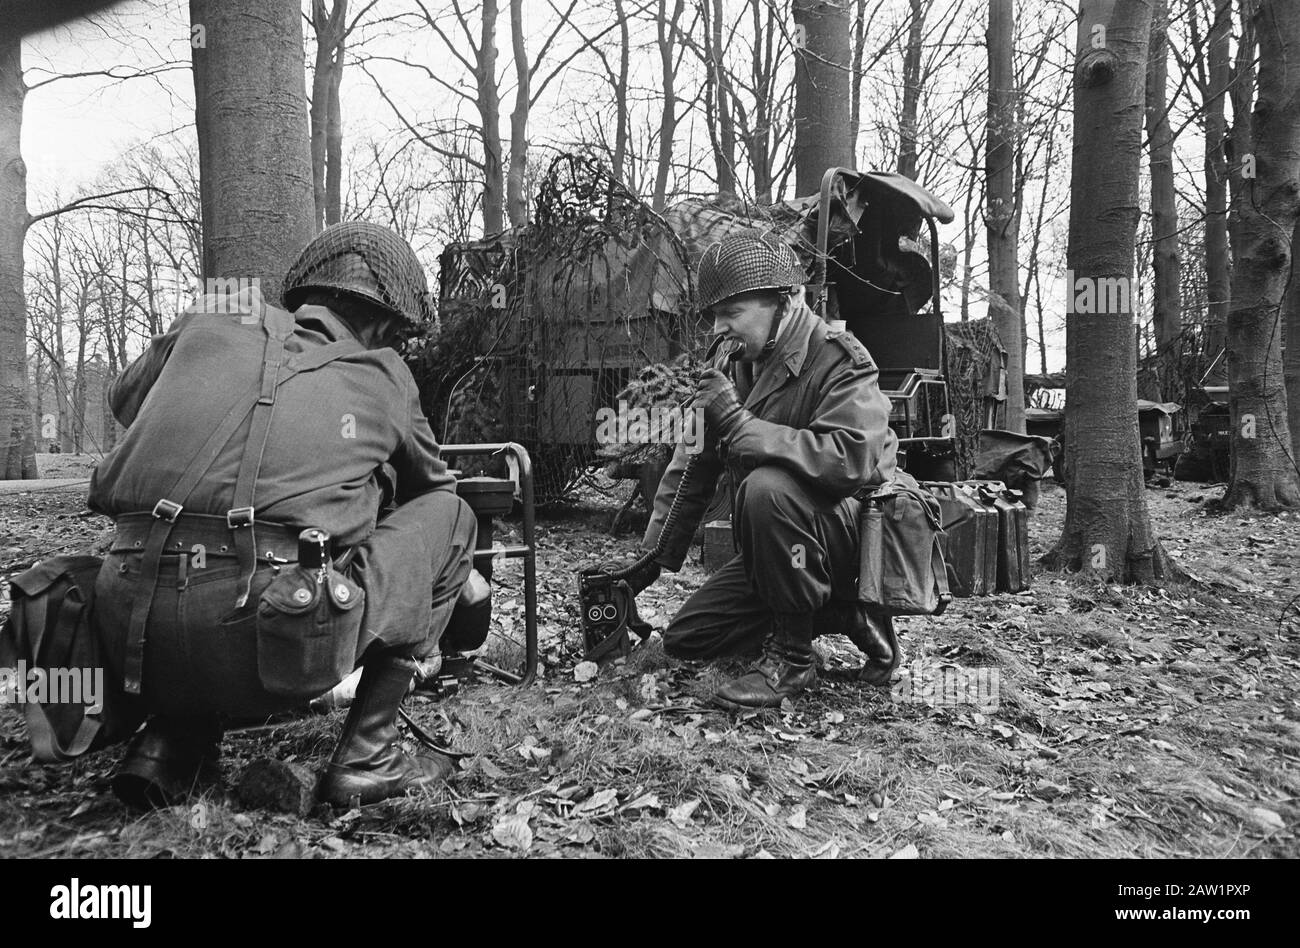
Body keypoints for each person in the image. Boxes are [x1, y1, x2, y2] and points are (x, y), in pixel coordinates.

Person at [88, 221, 482, 809]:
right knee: (451, 519)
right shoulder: (385, 373)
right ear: (382, 325)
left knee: (192, 543)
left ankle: (172, 744)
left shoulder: (212, 319)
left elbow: (126, 404)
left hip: (125, 630)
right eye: (396, 336)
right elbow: (433, 492)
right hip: (276, 636)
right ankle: (368, 755)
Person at [627, 230, 901, 709]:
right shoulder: (741, 362)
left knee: (765, 488)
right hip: (779, 552)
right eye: (715, 315)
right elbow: (695, 462)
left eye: (732, 313)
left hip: (844, 539)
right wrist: (647, 563)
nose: (718, 328)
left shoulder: (841, 359)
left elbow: (853, 459)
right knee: (688, 639)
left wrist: (739, 422)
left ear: (787, 300)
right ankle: (844, 614)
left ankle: (792, 659)